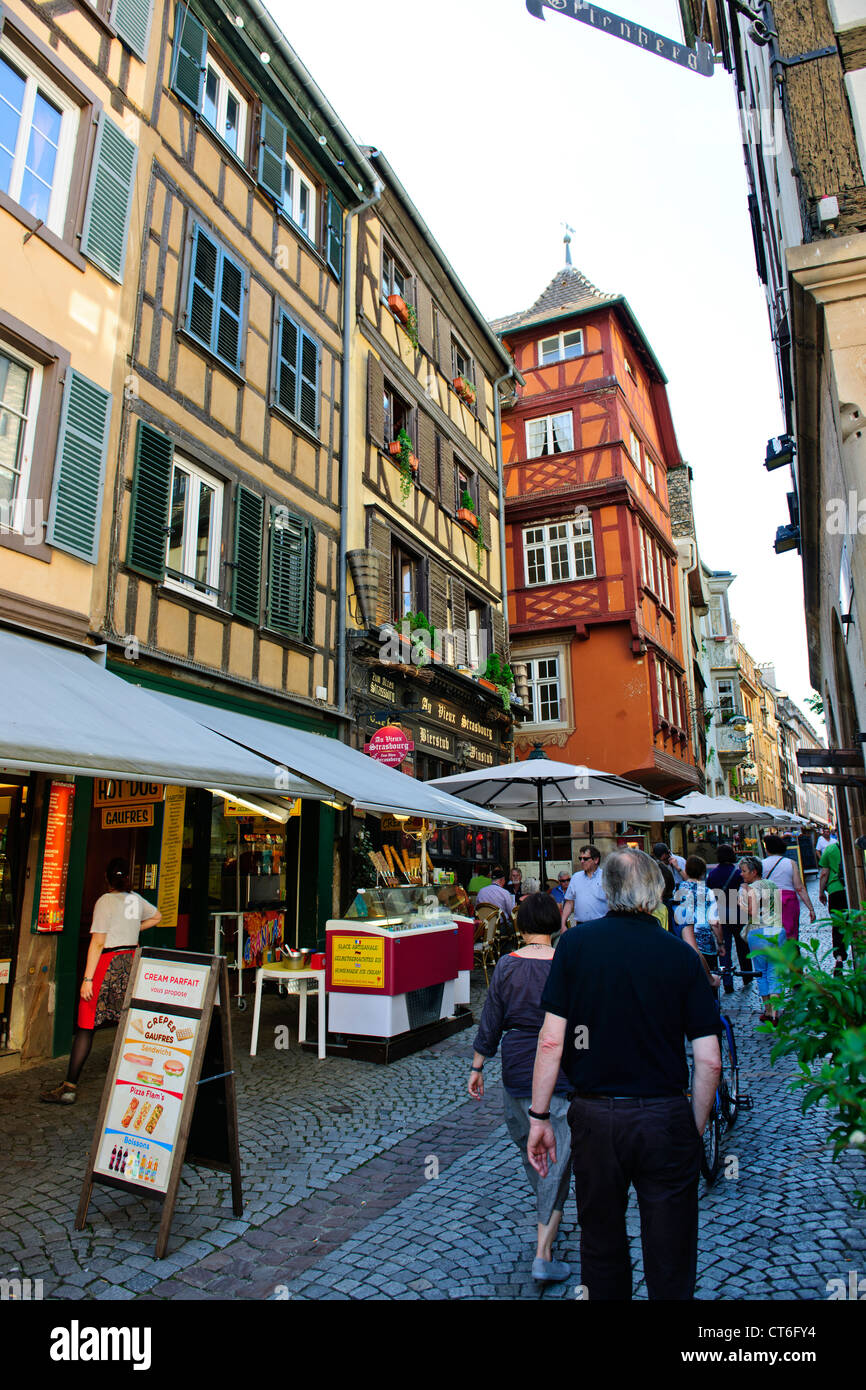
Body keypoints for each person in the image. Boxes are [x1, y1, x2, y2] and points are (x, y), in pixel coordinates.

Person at [528, 848, 721, 1301]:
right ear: (655, 894)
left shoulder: (574, 945)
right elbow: (709, 1059)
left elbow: (552, 1040)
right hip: (664, 1113)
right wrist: (692, 1124)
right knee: (672, 1250)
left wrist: (539, 1117)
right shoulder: (680, 955)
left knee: (601, 1242)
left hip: (596, 1118)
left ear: (606, 890)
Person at [469, 893, 573, 1283]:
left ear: (521, 926)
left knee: (539, 1156)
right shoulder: (566, 964)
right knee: (555, 1157)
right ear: (554, 924)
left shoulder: (507, 967)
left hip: (515, 1068)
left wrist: (478, 1064)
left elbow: (491, 1017)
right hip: (561, 1070)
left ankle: (545, 1232)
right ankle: (542, 1251)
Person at [40, 858, 161, 1104]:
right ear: (129, 878)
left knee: (86, 1023)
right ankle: (134, 1082)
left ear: (107, 879)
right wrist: (134, 930)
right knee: (126, 1020)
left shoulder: (105, 902)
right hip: (129, 961)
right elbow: (157, 916)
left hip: (108, 962)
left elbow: (97, 942)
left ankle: (69, 1086)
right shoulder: (135, 899)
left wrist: (87, 979)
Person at [738, 856, 785, 1024]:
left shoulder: (750, 888)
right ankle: (776, 1012)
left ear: (754, 871)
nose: (742, 874)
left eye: (744, 871)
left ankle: (768, 1010)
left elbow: (751, 912)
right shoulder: (772, 884)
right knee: (775, 971)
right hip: (777, 930)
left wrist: (740, 901)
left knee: (762, 972)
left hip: (759, 932)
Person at [706, 845, 749, 993]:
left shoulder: (712, 874)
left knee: (725, 948)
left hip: (721, 912)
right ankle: (747, 975)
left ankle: (727, 981)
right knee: (742, 946)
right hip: (738, 912)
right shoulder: (738, 873)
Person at [673, 856, 724, 980]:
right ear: (702, 873)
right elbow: (714, 921)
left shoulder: (677, 889)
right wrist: (721, 943)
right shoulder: (707, 892)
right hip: (705, 943)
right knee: (709, 979)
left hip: (682, 942)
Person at [762, 834, 815, 941]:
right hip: (788, 901)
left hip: (770, 900)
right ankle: (792, 954)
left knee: (772, 933)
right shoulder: (791, 863)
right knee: (791, 933)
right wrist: (811, 908)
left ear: (767, 848)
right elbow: (799, 888)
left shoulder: (761, 864)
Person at [818, 834, 849, 973]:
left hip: (836, 890)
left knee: (838, 926)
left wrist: (821, 892)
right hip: (852, 890)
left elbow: (824, 873)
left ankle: (839, 957)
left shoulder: (830, 850)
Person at [560, 845, 607, 930]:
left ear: (596, 860)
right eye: (580, 858)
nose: (582, 861)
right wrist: (563, 924)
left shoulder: (605, 877)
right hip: (581, 926)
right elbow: (569, 902)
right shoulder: (576, 877)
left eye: (585, 859)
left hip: (601, 925)